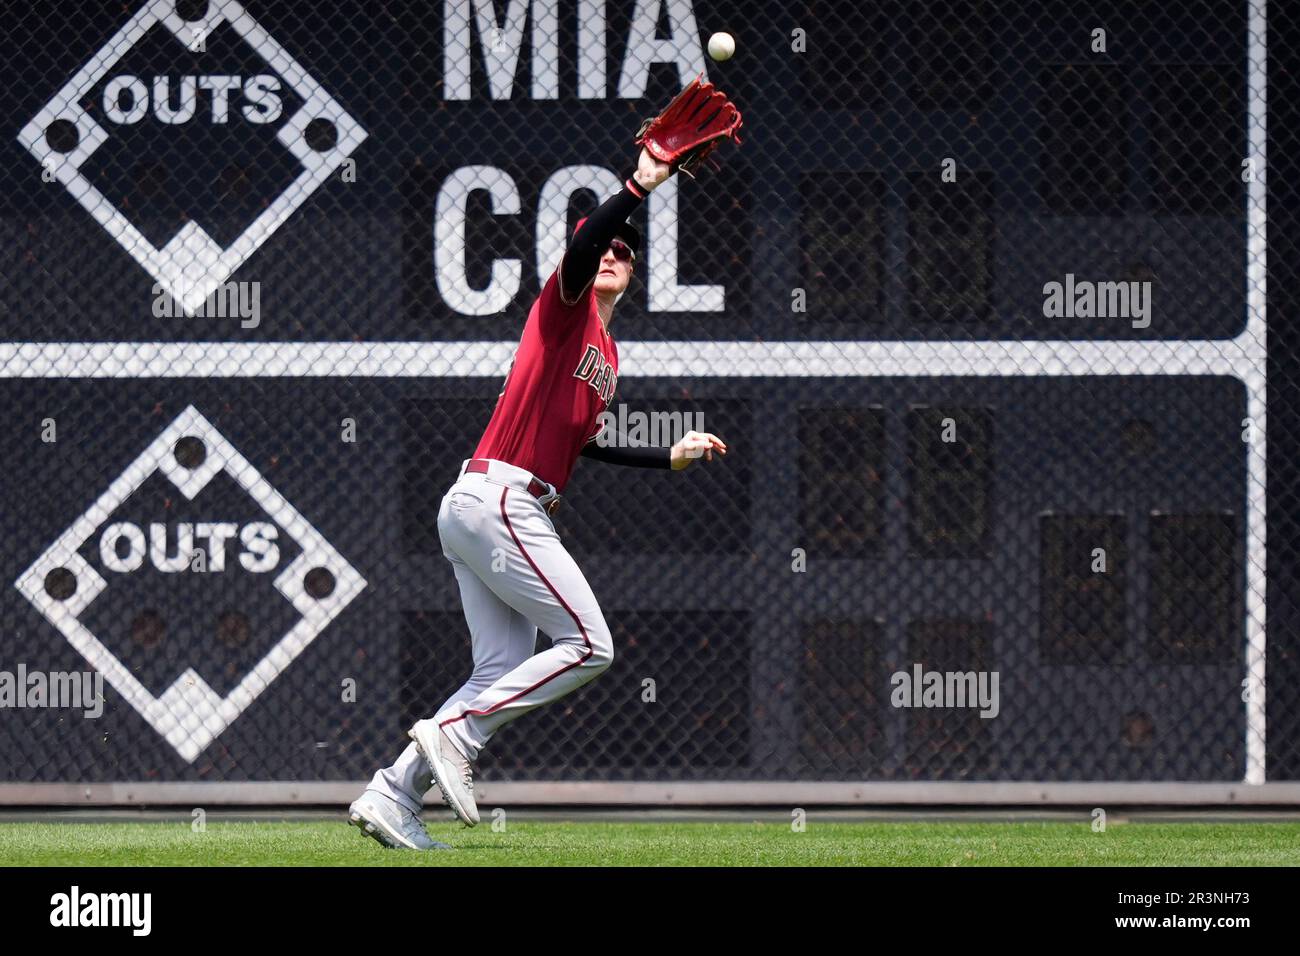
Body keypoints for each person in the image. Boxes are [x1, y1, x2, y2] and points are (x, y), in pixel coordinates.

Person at [349, 147, 727, 849]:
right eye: (604, 243)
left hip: (483, 506)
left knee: (498, 669)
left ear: (636, 272)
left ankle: (392, 793)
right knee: (590, 645)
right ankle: (456, 736)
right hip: (500, 500)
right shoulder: (565, 307)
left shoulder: (607, 358)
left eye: (625, 250)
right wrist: (639, 185)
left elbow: (581, 442)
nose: (612, 251)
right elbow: (584, 244)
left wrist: (664, 457)